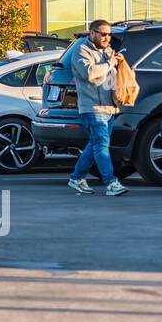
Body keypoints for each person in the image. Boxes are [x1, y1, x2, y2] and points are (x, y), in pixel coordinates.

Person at [68, 19, 129, 196]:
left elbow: (110, 78)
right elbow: (89, 73)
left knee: (95, 144)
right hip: (93, 107)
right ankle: (111, 183)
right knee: (101, 145)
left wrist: (120, 63)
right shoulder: (81, 50)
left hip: (110, 108)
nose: (107, 37)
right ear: (92, 33)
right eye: (103, 34)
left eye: (109, 34)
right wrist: (110, 63)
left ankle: (77, 178)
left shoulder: (108, 51)